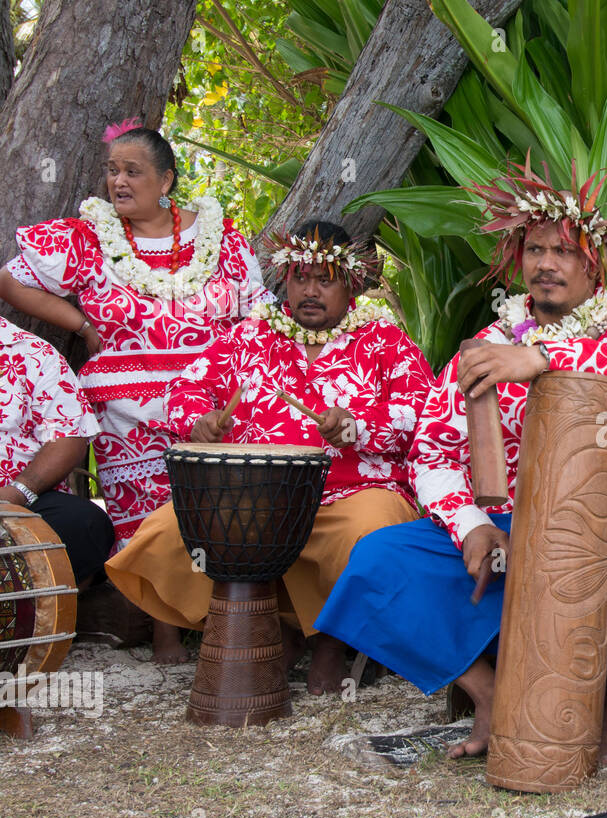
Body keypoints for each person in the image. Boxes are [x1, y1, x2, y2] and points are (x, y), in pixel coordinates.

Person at [316, 158, 607, 764]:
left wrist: (543, 357)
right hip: (515, 528)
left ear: (593, 263)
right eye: (535, 250)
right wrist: (473, 525)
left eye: (564, 252)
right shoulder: (490, 343)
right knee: (380, 559)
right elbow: (434, 453)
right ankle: (490, 697)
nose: (547, 264)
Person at [105, 222, 435, 693]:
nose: (311, 291)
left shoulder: (384, 341)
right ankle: (273, 625)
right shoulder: (251, 337)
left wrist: (356, 426)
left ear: (352, 283)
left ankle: (331, 642)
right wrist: (200, 420)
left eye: (325, 279)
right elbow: (185, 388)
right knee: (170, 530)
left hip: (352, 493)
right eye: (301, 278)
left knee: (373, 530)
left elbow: (422, 415)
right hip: (256, 500)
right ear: (285, 280)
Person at [0, 119, 273, 662]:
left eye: (133, 171)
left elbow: (257, 312)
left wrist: (231, 380)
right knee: (145, 515)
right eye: (112, 171)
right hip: (123, 408)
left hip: (210, 399)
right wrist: (80, 326)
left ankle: (226, 617)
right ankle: (161, 628)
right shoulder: (88, 238)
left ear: (166, 180)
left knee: (212, 505)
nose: (118, 182)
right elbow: (10, 278)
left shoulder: (219, 238)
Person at [0, 316, 114, 585]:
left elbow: (68, 436)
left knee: (83, 523)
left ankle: (31, 620)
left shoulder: (32, 353)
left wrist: (16, 493)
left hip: (18, 501)